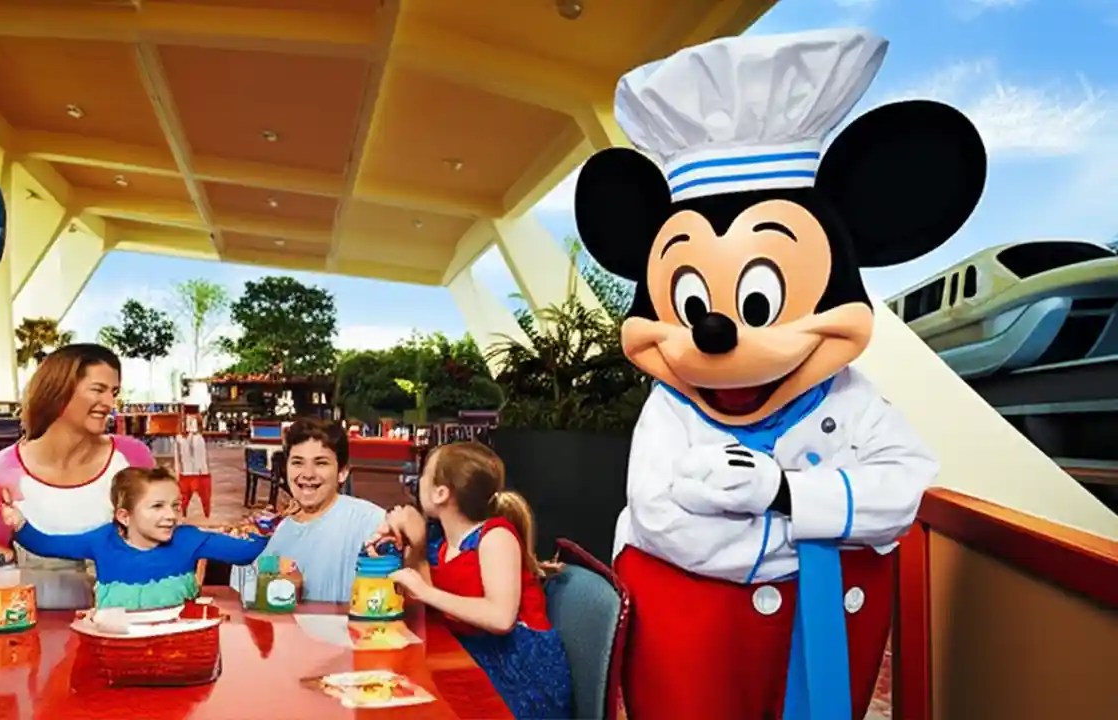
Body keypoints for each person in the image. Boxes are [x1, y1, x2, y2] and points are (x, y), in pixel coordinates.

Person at [572, 29, 986, 720]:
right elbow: (662, 517)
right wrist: (811, 532)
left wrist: (784, 493)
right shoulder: (668, 410)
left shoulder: (852, 398)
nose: (719, 333)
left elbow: (906, 488)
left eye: (760, 299)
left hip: (820, 637)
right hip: (692, 644)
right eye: (695, 302)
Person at [377, 442, 573, 720]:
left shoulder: (495, 537)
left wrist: (425, 591)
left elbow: (501, 617)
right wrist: (413, 546)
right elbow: (423, 602)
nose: (417, 481)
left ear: (441, 492)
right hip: (469, 657)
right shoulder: (441, 541)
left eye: (425, 475)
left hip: (516, 672)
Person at [0, 344, 156, 609]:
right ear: (59, 391)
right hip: (36, 632)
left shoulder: (132, 458)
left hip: (125, 625)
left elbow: (160, 546)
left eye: (113, 393)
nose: (109, 404)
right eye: (98, 390)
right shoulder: (4, 470)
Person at [0, 466, 266, 610]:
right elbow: (47, 545)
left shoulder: (189, 539)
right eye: (157, 506)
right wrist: (18, 522)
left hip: (177, 651)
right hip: (117, 652)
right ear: (125, 517)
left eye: (176, 505)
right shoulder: (103, 541)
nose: (171, 515)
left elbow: (246, 553)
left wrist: (277, 528)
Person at [233, 417, 386, 603]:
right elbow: (245, 596)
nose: (308, 474)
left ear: (342, 472)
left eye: (321, 463)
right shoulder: (277, 531)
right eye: (297, 462)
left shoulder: (370, 522)